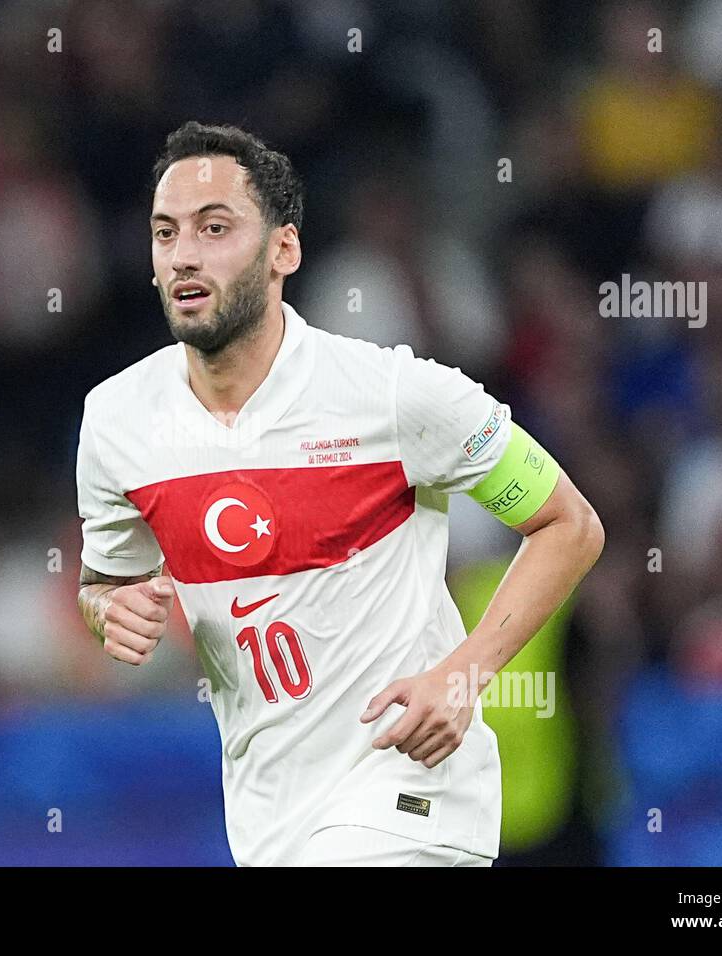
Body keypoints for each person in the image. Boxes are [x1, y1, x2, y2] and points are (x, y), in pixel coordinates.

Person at [75, 121, 604, 866]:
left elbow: (569, 524)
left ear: (282, 250)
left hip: (411, 790)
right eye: (166, 234)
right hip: (270, 812)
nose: (184, 254)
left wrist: (462, 674)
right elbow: (109, 584)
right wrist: (108, 612)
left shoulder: (394, 396)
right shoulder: (116, 421)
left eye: (215, 227)